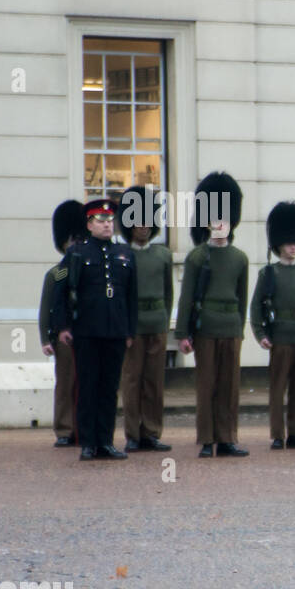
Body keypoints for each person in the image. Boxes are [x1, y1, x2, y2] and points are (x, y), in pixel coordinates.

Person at [175, 171, 250, 458]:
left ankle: (227, 437)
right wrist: (183, 333)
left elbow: (242, 298)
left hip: (230, 328)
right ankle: (206, 438)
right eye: (216, 218)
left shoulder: (239, 258)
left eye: (225, 219)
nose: (220, 224)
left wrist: (240, 330)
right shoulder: (197, 257)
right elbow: (187, 298)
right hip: (205, 327)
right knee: (206, 385)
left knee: (229, 387)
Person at [57, 198, 138, 461]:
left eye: (110, 221)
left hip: (115, 331)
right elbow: (59, 289)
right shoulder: (76, 254)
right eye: (101, 221)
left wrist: (130, 331)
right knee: (88, 387)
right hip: (87, 331)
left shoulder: (125, 254)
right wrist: (62, 326)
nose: (107, 226)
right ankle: (88, 442)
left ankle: (105, 441)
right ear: (90, 224)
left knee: (108, 389)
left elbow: (131, 297)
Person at [251, 201, 295, 450]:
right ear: (279, 244)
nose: (292, 247)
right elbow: (256, 307)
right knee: (278, 389)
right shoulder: (269, 274)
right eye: (288, 243)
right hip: (280, 336)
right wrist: (260, 334)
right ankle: (277, 434)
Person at [116, 186, 172, 453]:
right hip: (133, 325)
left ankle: (151, 431)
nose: (144, 227)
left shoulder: (163, 255)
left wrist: (164, 321)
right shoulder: (123, 255)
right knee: (132, 380)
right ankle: (132, 434)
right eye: (138, 222)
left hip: (156, 323)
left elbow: (168, 292)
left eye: (148, 221)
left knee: (154, 381)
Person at [40, 200, 86, 447]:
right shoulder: (56, 274)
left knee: (86, 383)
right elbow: (46, 307)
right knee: (66, 382)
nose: (74, 245)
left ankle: (82, 427)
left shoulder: (90, 270)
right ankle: (64, 430)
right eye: (71, 240)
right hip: (64, 335)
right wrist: (45, 339)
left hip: (87, 333)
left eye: (78, 239)